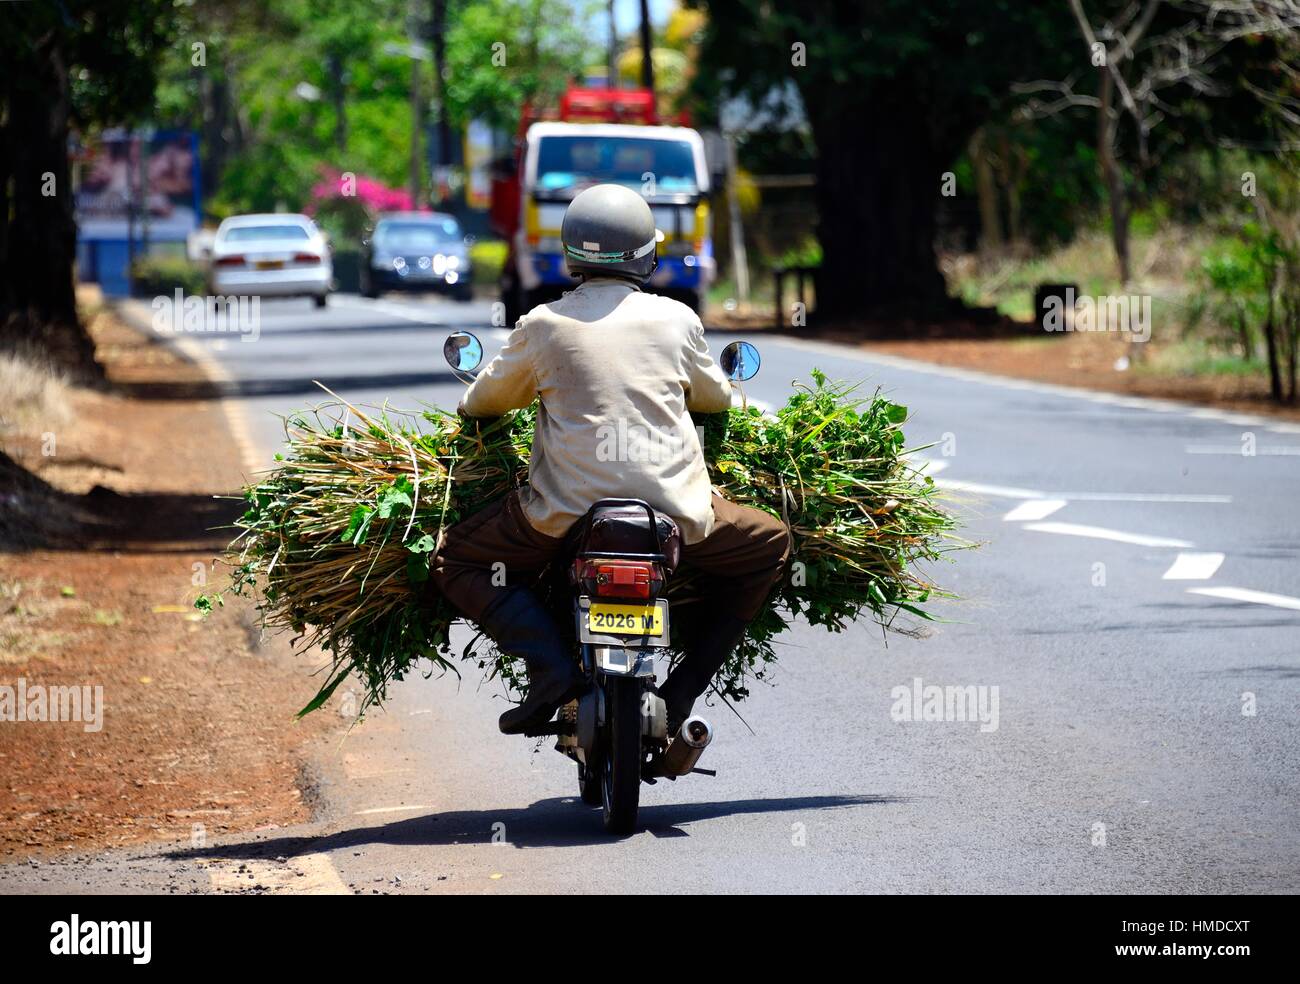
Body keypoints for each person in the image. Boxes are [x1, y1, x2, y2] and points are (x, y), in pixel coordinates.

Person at [431, 183, 790, 736]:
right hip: (677, 515)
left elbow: (480, 403)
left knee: (456, 558)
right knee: (771, 544)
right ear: (647, 254)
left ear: (572, 253)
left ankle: (551, 669)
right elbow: (716, 399)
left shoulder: (542, 324)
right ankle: (683, 691)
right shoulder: (676, 320)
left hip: (561, 517)